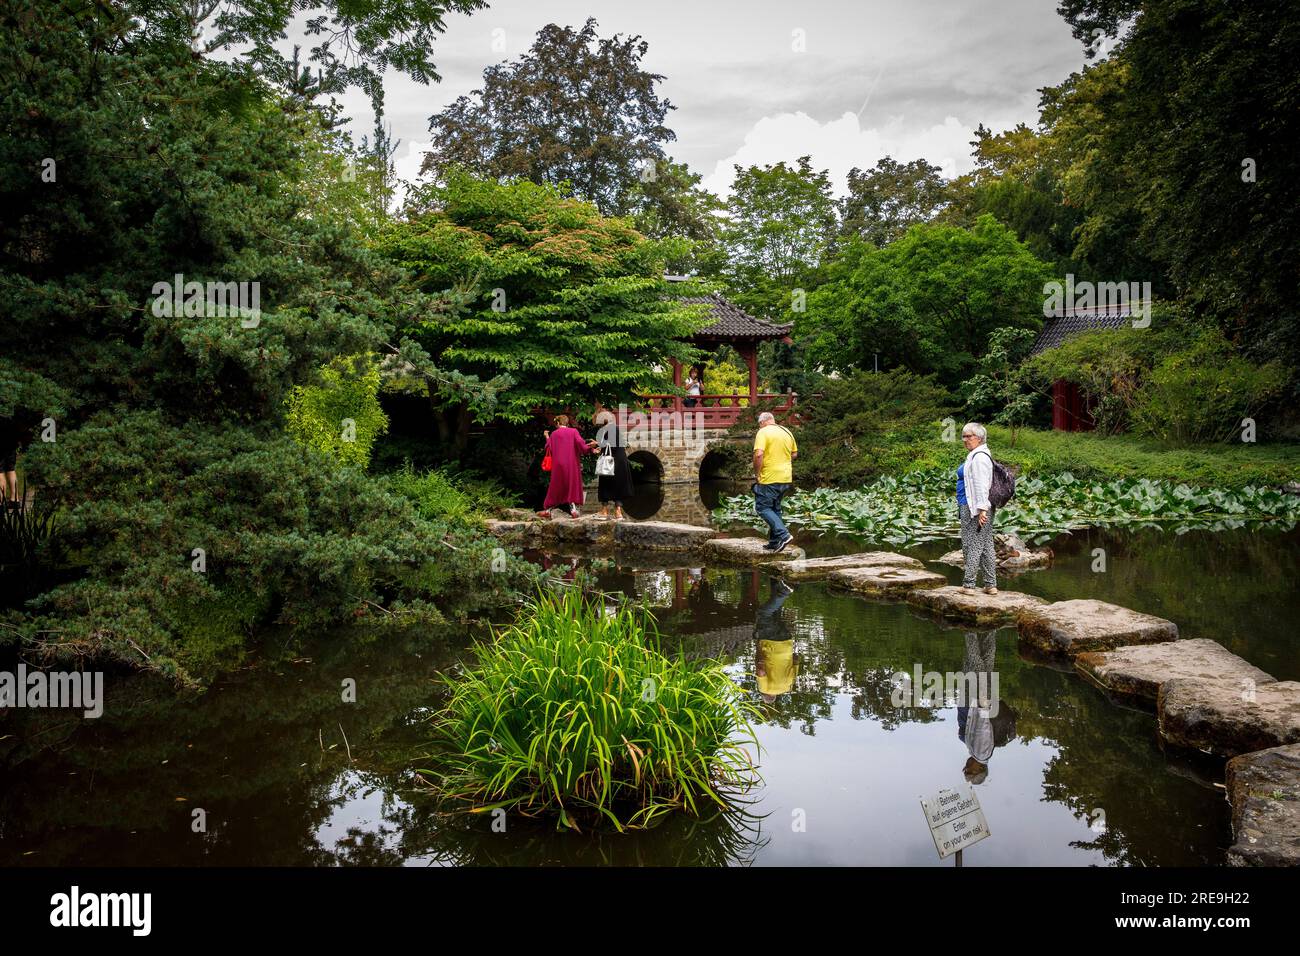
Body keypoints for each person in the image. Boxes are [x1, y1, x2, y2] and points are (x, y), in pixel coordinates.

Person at [956, 422, 997, 594]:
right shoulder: (975, 455)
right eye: (963, 436)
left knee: (972, 544)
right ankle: (990, 585)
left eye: (968, 436)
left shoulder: (979, 457)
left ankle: (969, 585)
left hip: (976, 508)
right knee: (985, 545)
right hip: (974, 506)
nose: (965, 440)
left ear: (979, 438)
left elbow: (982, 485)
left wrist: (982, 509)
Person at [752, 411, 797, 552]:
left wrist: (757, 473)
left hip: (769, 478)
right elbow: (794, 453)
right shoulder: (787, 431)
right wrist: (783, 462)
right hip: (785, 477)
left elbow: (758, 454)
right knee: (775, 508)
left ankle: (784, 535)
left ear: (762, 422)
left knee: (762, 508)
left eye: (759, 424)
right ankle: (774, 542)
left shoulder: (763, 432)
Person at [539, 414, 594, 519]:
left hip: (557, 464)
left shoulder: (554, 434)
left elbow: (549, 448)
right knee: (571, 484)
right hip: (571, 463)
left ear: (558, 423)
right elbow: (581, 445)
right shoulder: (573, 431)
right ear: (567, 423)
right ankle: (573, 509)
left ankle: (548, 510)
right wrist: (591, 449)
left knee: (556, 485)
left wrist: (547, 436)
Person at [754, 577, 797, 703]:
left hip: (786, 642)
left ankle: (776, 582)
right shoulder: (765, 688)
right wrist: (759, 660)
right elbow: (761, 671)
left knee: (775, 613)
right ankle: (784, 591)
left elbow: (796, 659)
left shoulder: (788, 686)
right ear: (765, 694)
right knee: (763, 614)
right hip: (770, 643)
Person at [592, 400, 634, 521]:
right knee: (618, 485)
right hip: (620, 460)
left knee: (605, 483)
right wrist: (600, 448)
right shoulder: (613, 428)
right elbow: (611, 445)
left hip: (612, 462)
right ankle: (618, 512)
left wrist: (597, 443)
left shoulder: (608, 429)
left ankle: (604, 511)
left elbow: (611, 444)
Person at [0, 415, 21, 509]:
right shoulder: (9, 417)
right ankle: (15, 500)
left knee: (0, 472)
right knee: (11, 469)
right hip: (11, 443)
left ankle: (0, 503)